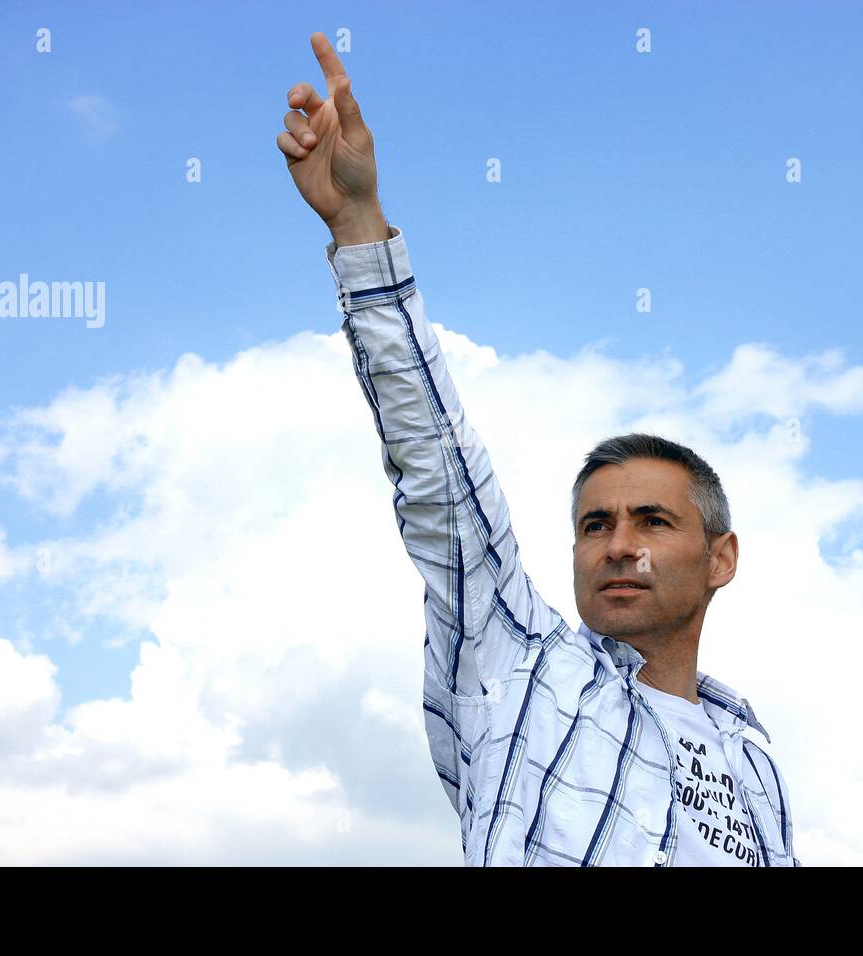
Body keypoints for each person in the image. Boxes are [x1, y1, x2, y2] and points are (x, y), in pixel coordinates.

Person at [278, 32, 799, 867]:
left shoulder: (755, 758)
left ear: (721, 557)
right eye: (595, 526)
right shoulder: (517, 664)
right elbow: (440, 469)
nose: (618, 546)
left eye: (652, 521)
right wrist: (358, 225)